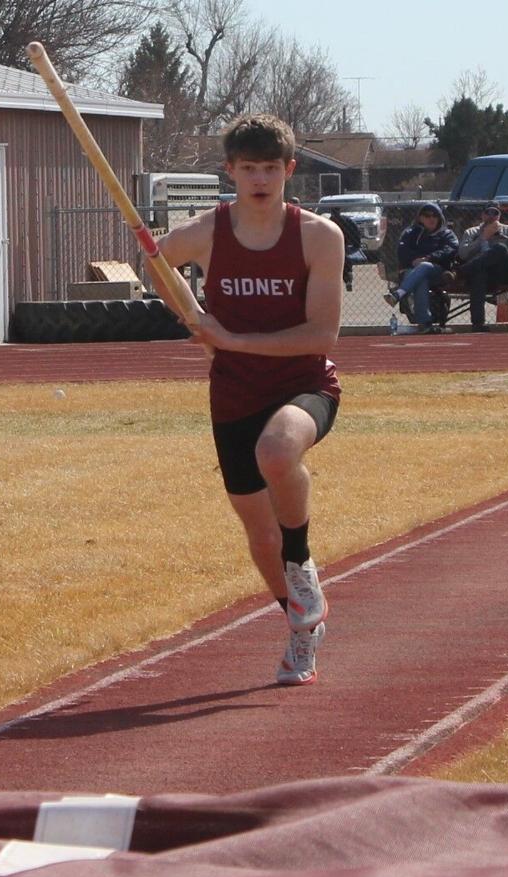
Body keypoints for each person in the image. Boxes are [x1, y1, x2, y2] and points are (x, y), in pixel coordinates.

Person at [157, 113, 344, 686]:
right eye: (247, 169)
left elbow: (322, 336)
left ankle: (303, 562)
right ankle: (300, 628)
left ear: (289, 170)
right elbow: (159, 259)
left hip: (303, 384)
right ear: (230, 172)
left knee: (278, 450)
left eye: (270, 168)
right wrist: (193, 315)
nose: (259, 179)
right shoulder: (208, 231)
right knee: (258, 534)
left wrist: (230, 338)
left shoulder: (318, 235)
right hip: (233, 392)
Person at [383, 203, 459, 334]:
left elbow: (451, 249)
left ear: (440, 217)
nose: (431, 218)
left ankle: (398, 294)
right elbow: (402, 251)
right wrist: (415, 260)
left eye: (435, 215)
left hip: (438, 272)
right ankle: (425, 324)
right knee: (420, 278)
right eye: (427, 215)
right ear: (420, 218)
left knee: (424, 267)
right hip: (412, 271)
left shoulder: (447, 234)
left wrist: (428, 258)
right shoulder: (410, 233)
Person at [454, 203, 508, 330]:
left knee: (500, 248)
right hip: (482, 274)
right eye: (488, 212)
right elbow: (463, 254)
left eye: (495, 213)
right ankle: (478, 323)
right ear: (482, 215)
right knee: (478, 275)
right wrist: (482, 238)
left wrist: (497, 254)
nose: (491, 216)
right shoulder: (471, 232)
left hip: (503, 273)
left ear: (499, 215)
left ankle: (460, 272)